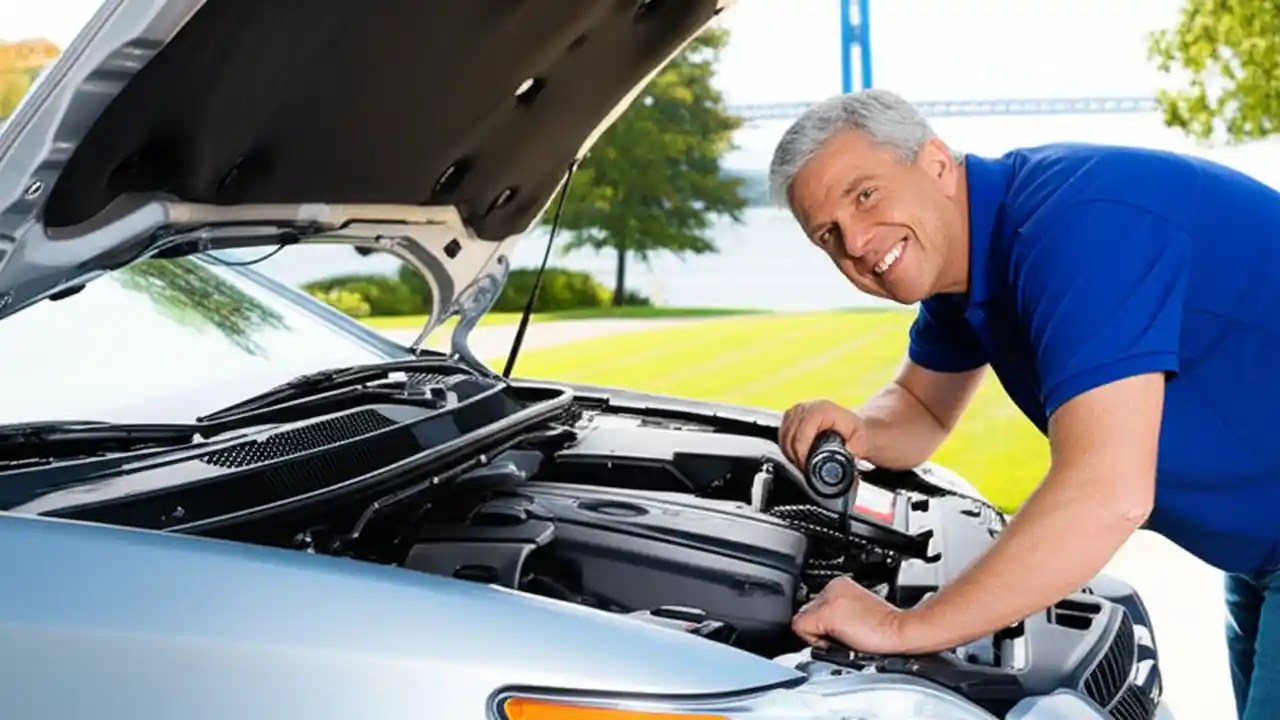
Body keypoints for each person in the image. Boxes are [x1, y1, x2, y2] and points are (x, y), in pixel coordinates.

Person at [768, 88, 1280, 720]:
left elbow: (1105, 495)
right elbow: (920, 407)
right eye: (828, 234)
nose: (856, 243)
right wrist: (858, 430)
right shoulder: (968, 259)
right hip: (1260, 555)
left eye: (865, 195)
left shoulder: (1076, 230)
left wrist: (905, 627)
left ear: (935, 163)